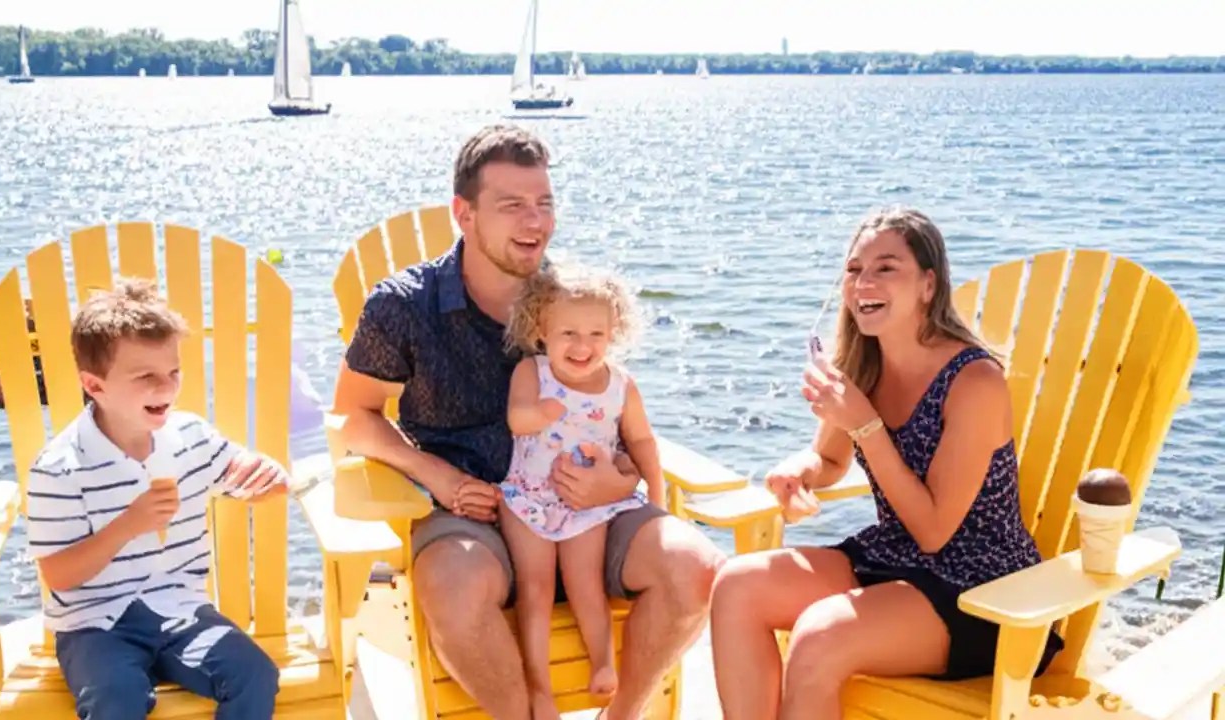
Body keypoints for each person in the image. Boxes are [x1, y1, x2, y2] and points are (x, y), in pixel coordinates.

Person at [333, 124, 722, 720]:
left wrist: (620, 479)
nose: (534, 222)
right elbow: (353, 418)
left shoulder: (571, 300)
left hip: (590, 508)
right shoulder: (405, 307)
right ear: (464, 213)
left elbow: (612, 410)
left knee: (694, 567)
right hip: (475, 518)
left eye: (543, 203)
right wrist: (431, 474)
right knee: (455, 595)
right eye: (512, 205)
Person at [709, 207, 1063, 720]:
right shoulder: (864, 363)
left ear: (927, 285)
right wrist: (799, 471)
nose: (863, 282)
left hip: (982, 592)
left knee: (820, 635)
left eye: (886, 267)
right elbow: (828, 458)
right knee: (737, 585)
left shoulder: (974, 382)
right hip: (896, 560)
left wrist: (865, 425)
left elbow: (935, 532)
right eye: (854, 270)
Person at [25, 279, 289, 720]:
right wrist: (128, 525)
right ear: (95, 385)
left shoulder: (190, 438)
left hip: (180, 608)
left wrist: (269, 475)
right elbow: (59, 574)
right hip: (95, 624)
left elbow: (250, 480)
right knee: (116, 697)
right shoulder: (59, 467)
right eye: (145, 376)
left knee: (255, 675)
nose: (165, 387)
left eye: (173, 373)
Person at [500, 264, 666, 718]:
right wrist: (542, 413)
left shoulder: (620, 385)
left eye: (596, 333)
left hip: (588, 505)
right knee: (533, 590)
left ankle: (603, 665)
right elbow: (517, 421)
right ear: (541, 332)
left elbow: (643, 441)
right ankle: (539, 689)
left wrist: (657, 493)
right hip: (528, 498)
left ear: (613, 334)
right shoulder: (532, 373)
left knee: (585, 585)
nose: (582, 346)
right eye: (568, 333)